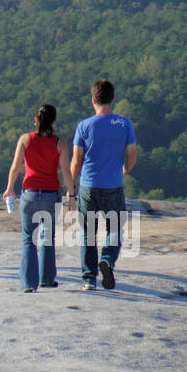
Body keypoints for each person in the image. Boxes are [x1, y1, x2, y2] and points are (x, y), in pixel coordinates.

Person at [69, 79, 137, 291]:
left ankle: (89, 278)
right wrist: (124, 170)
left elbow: (76, 161)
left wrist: (71, 190)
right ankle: (107, 260)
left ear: (93, 100)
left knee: (88, 232)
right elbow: (132, 154)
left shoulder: (84, 126)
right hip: (113, 186)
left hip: (88, 186)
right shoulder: (124, 124)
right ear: (113, 99)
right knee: (115, 229)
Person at [1, 104, 75, 292]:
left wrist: (10, 188)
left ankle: (28, 283)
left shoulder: (25, 140)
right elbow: (66, 171)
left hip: (30, 194)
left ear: (36, 120)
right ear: (54, 121)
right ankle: (47, 279)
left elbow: (16, 166)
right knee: (48, 238)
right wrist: (72, 194)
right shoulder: (60, 144)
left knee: (29, 239)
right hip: (51, 195)